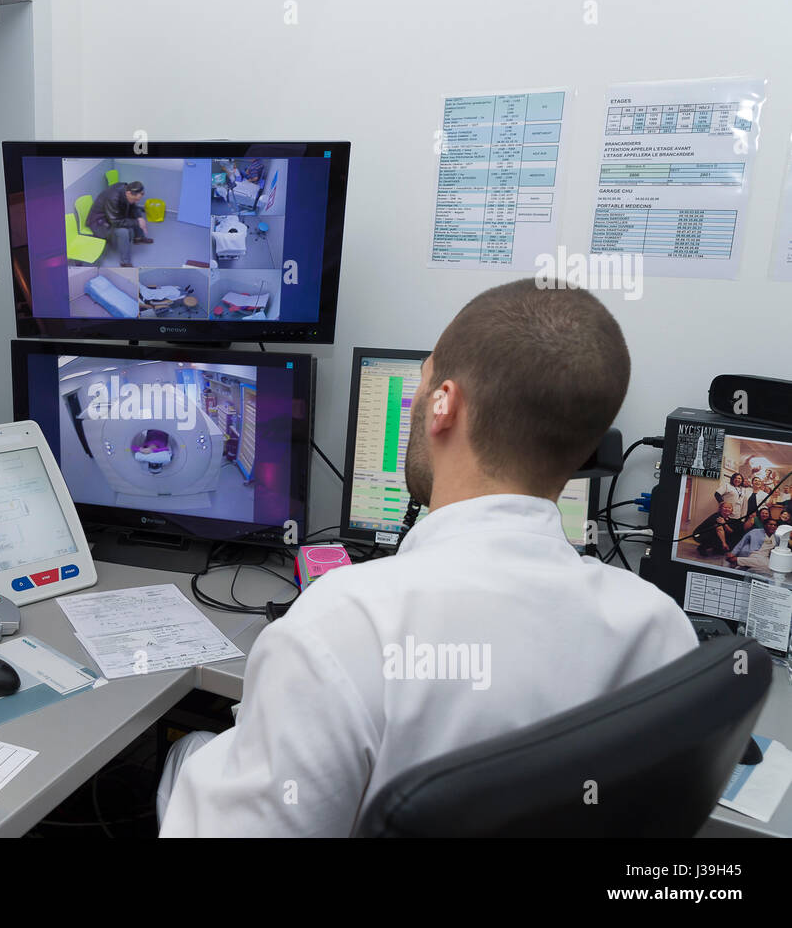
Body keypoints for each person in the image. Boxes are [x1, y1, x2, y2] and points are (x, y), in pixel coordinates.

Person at [155, 279, 697, 836]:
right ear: (590, 450)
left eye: (423, 382)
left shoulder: (340, 628)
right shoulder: (660, 629)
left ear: (446, 406)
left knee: (189, 753)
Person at [85, 180, 151, 266]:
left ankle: (138, 238)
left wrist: (139, 218)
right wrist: (137, 222)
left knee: (135, 215)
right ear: (128, 193)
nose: (136, 201)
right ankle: (125, 262)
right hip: (99, 222)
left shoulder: (125, 187)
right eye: (134, 199)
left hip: (112, 215)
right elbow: (116, 222)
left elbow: (133, 207)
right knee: (123, 231)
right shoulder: (113, 198)